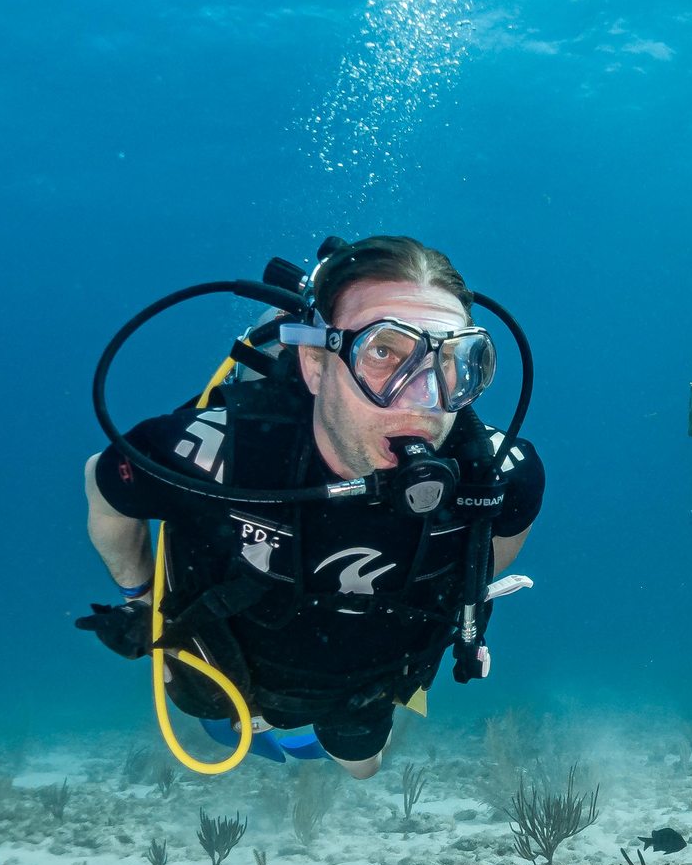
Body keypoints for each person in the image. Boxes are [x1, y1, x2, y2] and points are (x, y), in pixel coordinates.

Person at [80, 235, 543, 778]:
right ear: (317, 364)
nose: (424, 397)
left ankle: (310, 742)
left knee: (361, 765)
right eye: (384, 351)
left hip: (368, 681)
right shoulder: (213, 453)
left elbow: (503, 536)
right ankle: (256, 724)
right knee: (219, 720)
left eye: (455, 359)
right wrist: (139, 598)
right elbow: (102, 480)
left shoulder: (498, 470)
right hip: (222, 662)